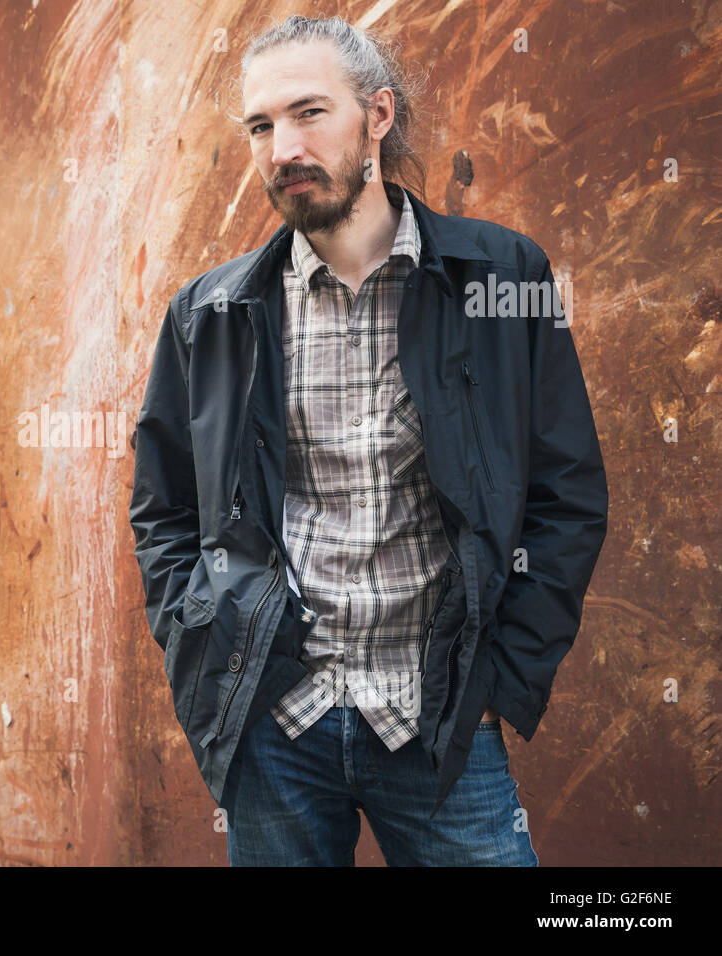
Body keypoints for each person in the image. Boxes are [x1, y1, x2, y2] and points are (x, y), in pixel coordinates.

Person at [129, 15, 608, 866]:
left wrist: (498, 680)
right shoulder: (209, 314)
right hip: (273, 728)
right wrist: (202, 644)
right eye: (261, 126)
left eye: (309, 113)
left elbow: (566, 494)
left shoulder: (502, 280)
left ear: (378, 117)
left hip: (439, 723)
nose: (282, 148)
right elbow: (164, 509)